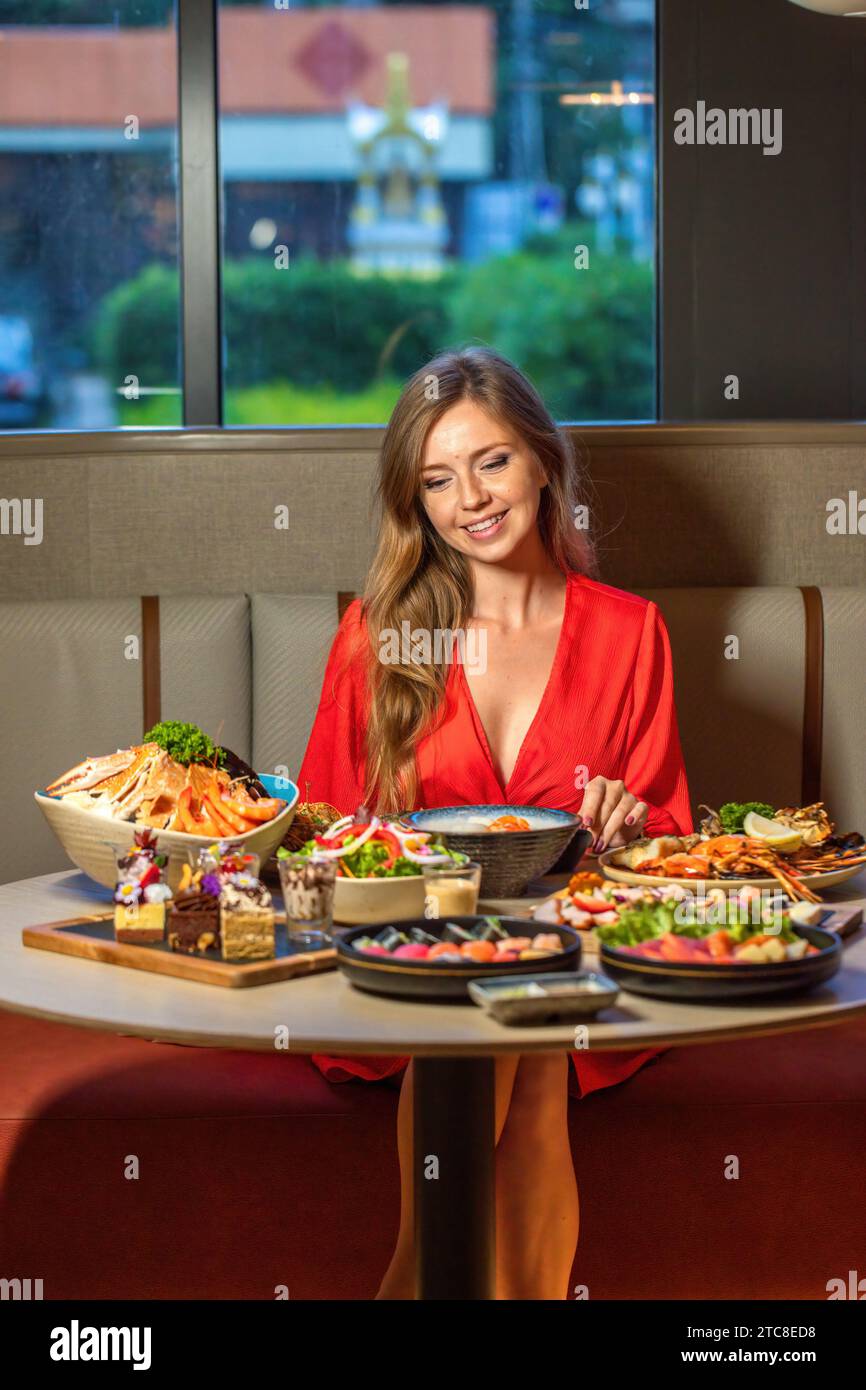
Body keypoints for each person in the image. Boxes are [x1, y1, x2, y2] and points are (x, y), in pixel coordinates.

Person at [298, 346, 692, 1298]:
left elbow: (673, 848)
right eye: (437, 478)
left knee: (532, 1010)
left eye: (492, 462)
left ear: (543, 461)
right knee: (513, 1019)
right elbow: (318, 835)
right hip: (412, 968)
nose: (470, 497)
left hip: (580, 970)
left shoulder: (629, 630)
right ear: (415, 501)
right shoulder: (381, 633)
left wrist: (629, 825)